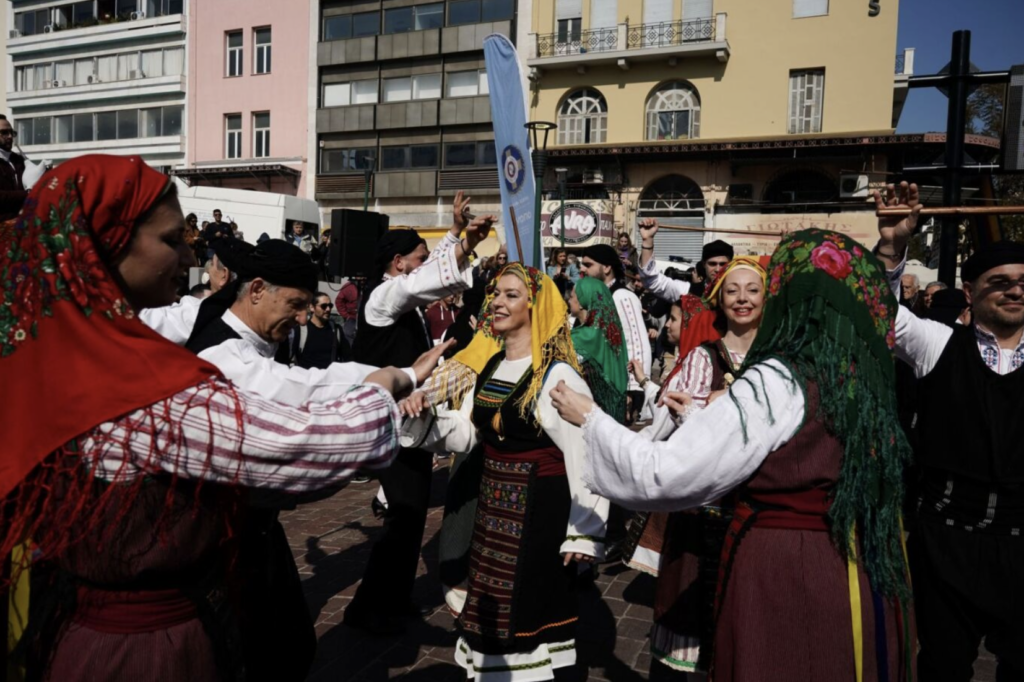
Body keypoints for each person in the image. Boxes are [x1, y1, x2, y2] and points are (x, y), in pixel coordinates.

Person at [0, 155, 407, 681]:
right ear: (107, 244)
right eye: (170, 240)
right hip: (143, 651)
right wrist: (384, 390)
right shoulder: (131, 391)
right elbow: (300, 450)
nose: (189, 253)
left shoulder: (57, 351)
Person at [552, 228, 914, 682]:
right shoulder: (859, 375)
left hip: (787, 565)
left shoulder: (780, 378)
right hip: (855, 564)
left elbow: (665, 472)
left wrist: (590, 418)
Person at [400, 263, 609, 681]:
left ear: (536, 307)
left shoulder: (558, 374)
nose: (497, 301)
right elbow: (468, 433)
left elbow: (587, 454)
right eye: (496, 293)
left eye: (511, 295)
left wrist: (584, 531)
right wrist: (419, 418)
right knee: (493, 611)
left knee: (526, 613)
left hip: (540, 513)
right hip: (495, 509)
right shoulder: (492, 364)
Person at [873, 182, 1024, 682]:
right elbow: (878, 313)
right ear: (972, 288)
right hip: (945, 545)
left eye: (1023, 281)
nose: (1015, 289)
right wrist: (893, 245)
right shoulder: (938, 343)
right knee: (941, 668)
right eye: (1000, 281)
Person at [346, 194, 496, 635]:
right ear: (397, 262)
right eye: (418, 257)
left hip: (407, 420)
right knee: (403, 514)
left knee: (410, 515)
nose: (425, 264)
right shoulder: (381, 298)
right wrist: (464, 248)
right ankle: (369, 607)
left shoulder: (397, 295)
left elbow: (424, 278)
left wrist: (456, 236)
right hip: (387, 419)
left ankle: (392, 600)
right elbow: (419, 284)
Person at [627, 258, 766, 678]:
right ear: (719, 301)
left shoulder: (779, 361)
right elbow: (669, 428)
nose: (742, 298)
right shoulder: (703, 359)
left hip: (759, 508)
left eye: (752, 289)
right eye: (732, 291)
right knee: (690, 616)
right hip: (703, 510)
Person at [579, 243, 651, 425]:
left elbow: (637, 344)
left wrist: (633, 391)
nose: (582, 269)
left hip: (619, 391)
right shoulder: (596, 297)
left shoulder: (621, 296)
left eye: (588, 265)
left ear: (607, 267)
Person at [568, 276, 628, 423]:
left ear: (582, 301)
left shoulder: (581, 338)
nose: (568, 300)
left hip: (590, 413)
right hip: (614, 410)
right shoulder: (608, 332)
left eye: (571, 296)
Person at [639, 218, 734, 300]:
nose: (718, 269)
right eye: (712, 264)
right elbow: (652, 282)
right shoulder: (689, 291)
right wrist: (647, 240)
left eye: (723, 264)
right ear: (704, 264)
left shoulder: (741, 293)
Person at [292, 292, 352, 369]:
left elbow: (349, 358)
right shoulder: (300, 330)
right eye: (324, 306)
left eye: (330, 306)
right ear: (312, 307)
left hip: (330, 379)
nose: (328, 309)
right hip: (307, 379)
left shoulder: (336, 330)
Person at [0, 115, 27, 221]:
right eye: (4, 133)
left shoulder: (19, 160)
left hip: (21, 225)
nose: (10, 136)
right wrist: (27, 194)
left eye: (12, 132)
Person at [335, 277, 361, 346]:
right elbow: (339, 301)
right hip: (352, 317)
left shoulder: (369, 285)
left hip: (364, 318)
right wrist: (346, 315)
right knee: (347, 335)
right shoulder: (348, 286)